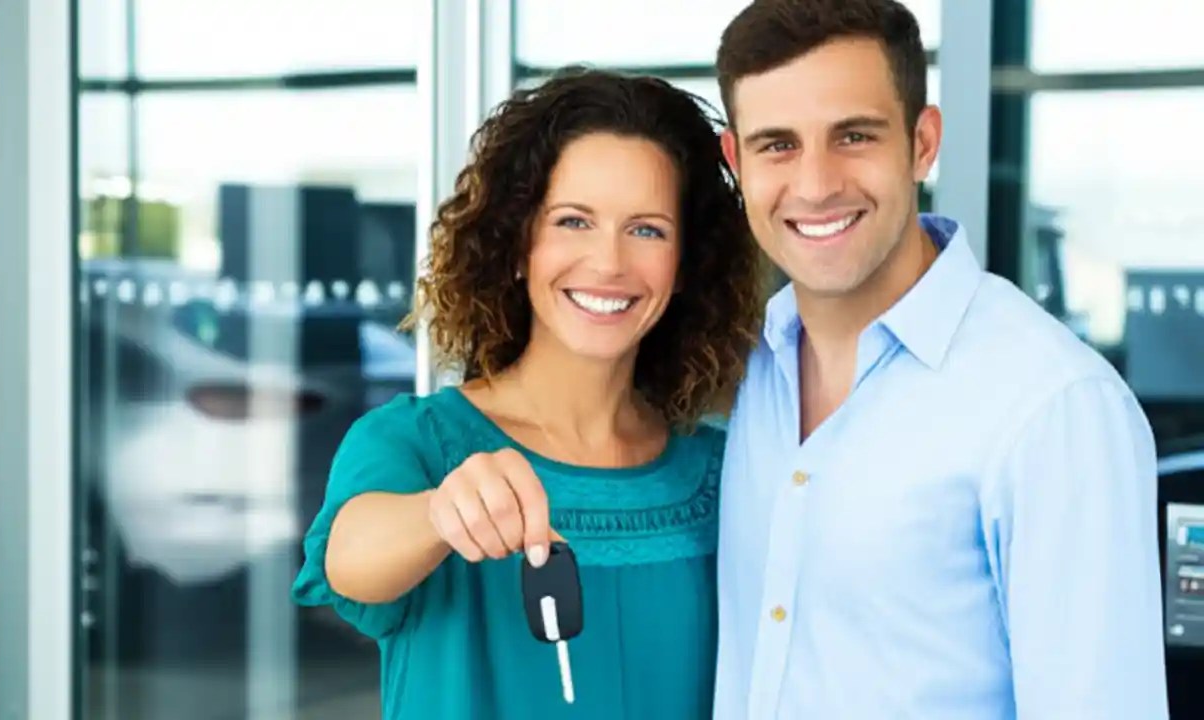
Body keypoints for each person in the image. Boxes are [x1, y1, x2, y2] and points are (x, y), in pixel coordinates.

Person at [710, 1, 1168, 719]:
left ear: (923, 143)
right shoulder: (740, 375)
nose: (817, 184)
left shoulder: (1054, 406)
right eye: (778, 145)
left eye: (853, 135)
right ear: (735, 162)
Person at [291, 66, 764, 720]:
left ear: (686, 265)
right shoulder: (416, 443)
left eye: (647, 229)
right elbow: (350, 560)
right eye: (573, 221)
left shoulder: (728, 470)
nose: (609, 262)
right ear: (518, 244)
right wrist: (439, 513)